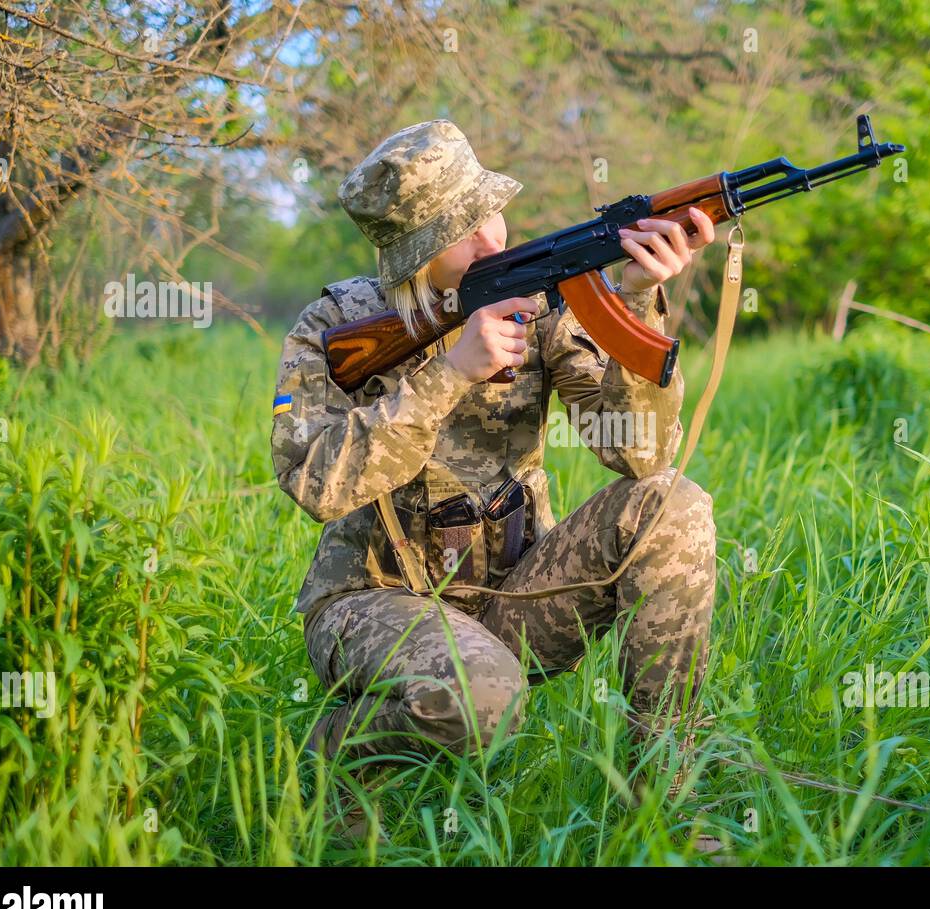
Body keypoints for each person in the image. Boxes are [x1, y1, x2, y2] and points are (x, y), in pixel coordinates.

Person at [271, 118, 718, 792]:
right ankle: (333, 754)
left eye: (493, 215)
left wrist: (637, 302)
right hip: (373, 599)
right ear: (415, 251)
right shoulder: (335, 328)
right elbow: (314, 484)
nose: (491, 238)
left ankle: (667, 799)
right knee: (484, 696)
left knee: (670, 507)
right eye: (462, 228)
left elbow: (641, 456)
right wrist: (449, 374)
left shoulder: (536, 301)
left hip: (509, 594)